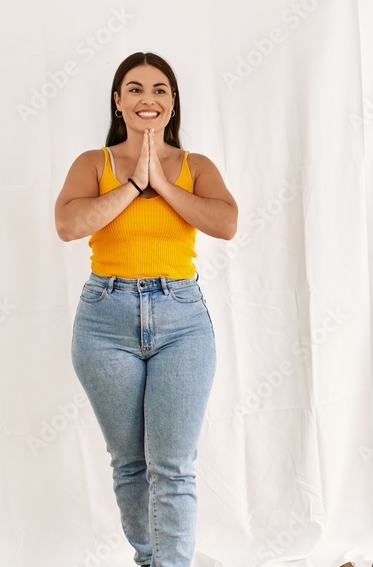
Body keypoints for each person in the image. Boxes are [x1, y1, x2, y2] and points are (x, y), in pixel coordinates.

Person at [54, 52, 237, 567]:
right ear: (118, 101)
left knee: (173, 465)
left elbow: (225, 223)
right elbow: (69, 226)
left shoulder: (196, 166)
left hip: (182, 320)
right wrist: (135, 183)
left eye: (159, 89)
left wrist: (164, 183)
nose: (147, 99)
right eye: (134, 89)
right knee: (130, 463)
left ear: (173, 101)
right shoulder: (93, 163)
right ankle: (150, 560)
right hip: (104, 320)